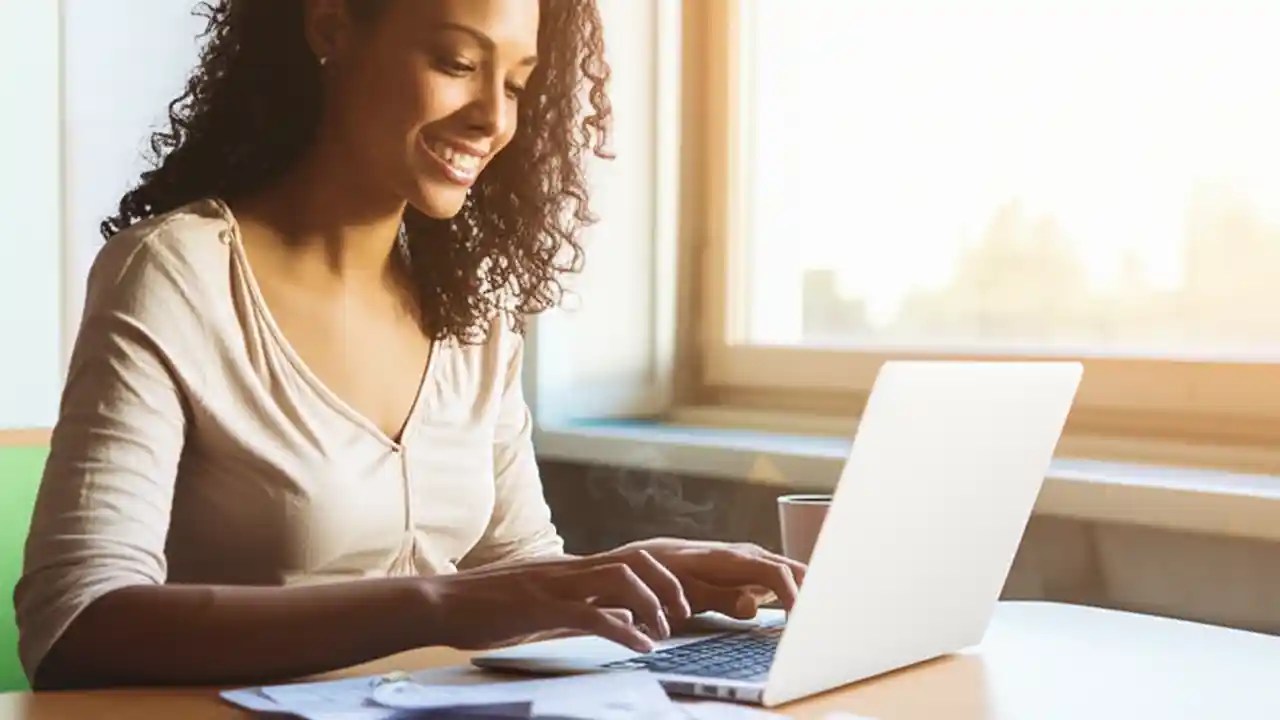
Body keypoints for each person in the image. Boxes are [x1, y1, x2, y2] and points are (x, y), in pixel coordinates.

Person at [15, 0, 805, 691]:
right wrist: (440, 603)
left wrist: (641, 574)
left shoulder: (474, 309)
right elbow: (76, 625)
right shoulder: (177, 275)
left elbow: (512, 572)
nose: (493, 118)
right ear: (331, 26)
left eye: (519, 84)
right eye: (457, 62)